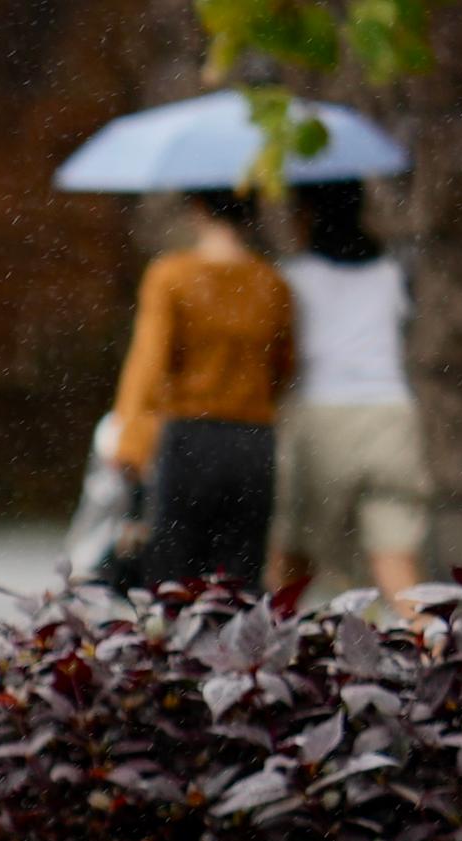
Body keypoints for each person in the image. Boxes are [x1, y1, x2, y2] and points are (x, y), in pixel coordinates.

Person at [110, 187, 294, 593]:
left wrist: (132, 441)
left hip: (190, 438)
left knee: (174, 575)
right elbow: (283, 367)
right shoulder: (272, 282)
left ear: (197, 208)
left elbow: (148, 363)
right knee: (239, 581)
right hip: (252, 442)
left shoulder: (171, 276)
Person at [272, 177, 427, 604]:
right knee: (397, 565)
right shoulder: (390, 271)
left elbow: (284, 358)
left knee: (291, 567)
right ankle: (436, 651)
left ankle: (266, 659)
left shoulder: (293, 277)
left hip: (324, 418)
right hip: (392, 416)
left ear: (305, 213)